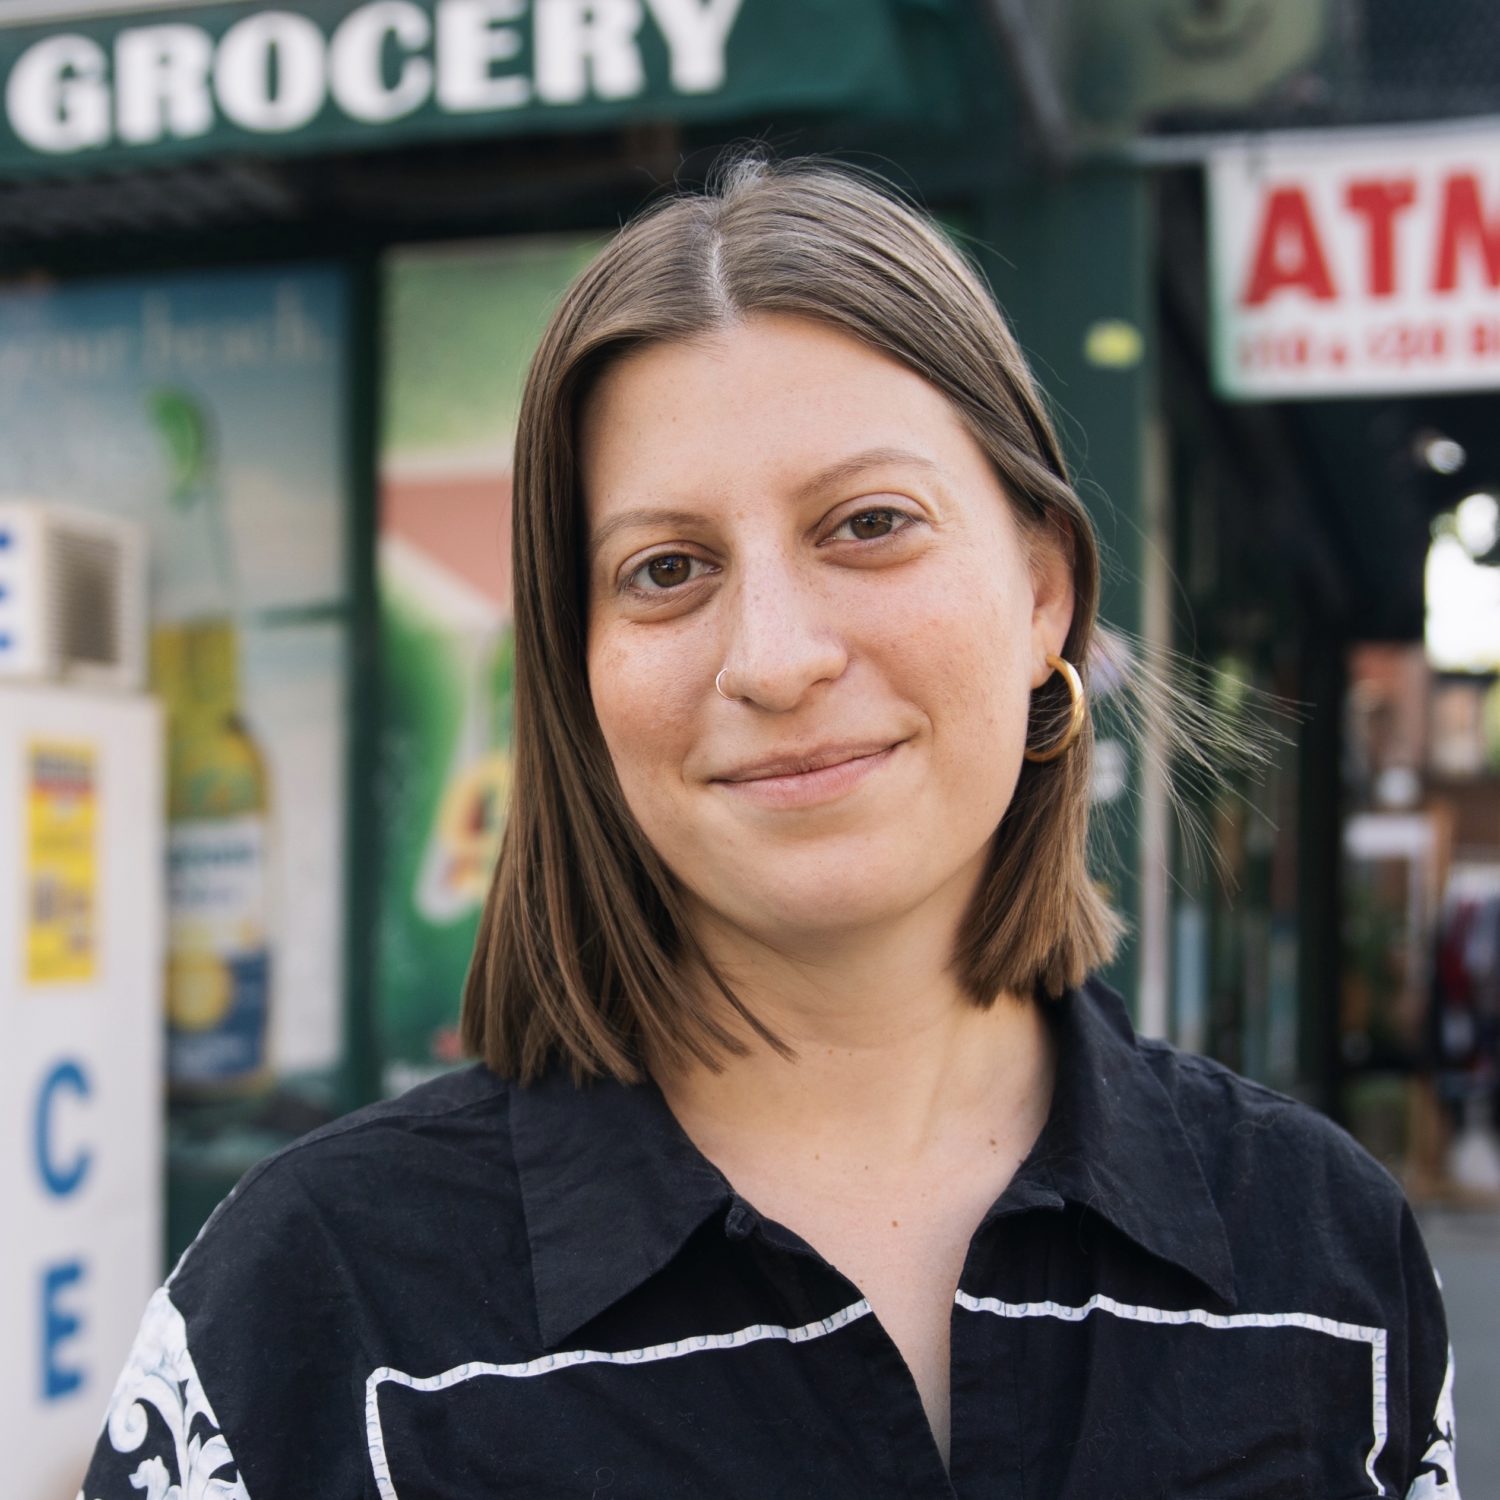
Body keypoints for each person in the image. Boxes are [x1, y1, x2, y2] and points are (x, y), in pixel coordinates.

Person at [80, 154, 1459, 1500]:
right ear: (576, 667)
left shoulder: (1327, 1267)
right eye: (665, 571)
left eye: (867, 524)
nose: (776, 657)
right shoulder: (316, 1314)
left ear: (1044, 593)